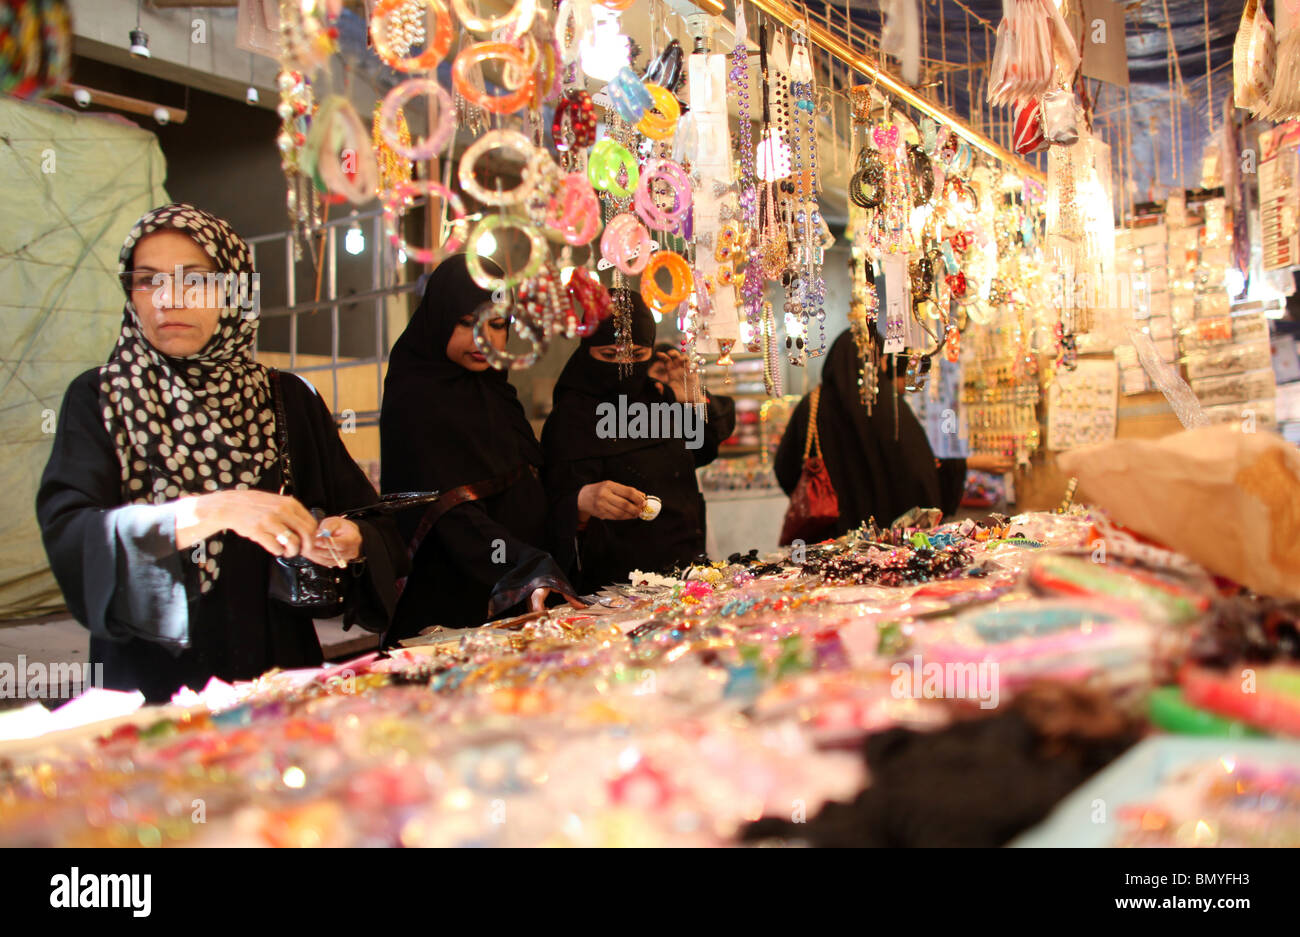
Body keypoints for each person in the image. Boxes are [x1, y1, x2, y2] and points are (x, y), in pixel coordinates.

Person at [36, 204, 407, 702]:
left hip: (275, 671)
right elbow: (73, 535)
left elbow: (373, 521)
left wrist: (350, 539)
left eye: (195, 280)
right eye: (148, 281)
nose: (169, 300)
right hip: (149, 678)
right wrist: (209, 510)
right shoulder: (102, 398)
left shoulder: (284, 399)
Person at [379, 254, 579, 641]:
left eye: (497, 325)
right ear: (438, 320)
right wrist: (524, 566)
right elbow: (450, 514)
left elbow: (526, 481)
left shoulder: (495, 390)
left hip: (518, 594)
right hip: (453, 605)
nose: (483, 340)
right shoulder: (416, 397)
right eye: (467, 323)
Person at [541, 290, 736, 592]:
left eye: (636, 355)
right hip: (613, 591)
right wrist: (582, 501)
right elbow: (547, 510)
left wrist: (691, 400)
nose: (625, 367)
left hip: (686, 572)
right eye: (610, 355)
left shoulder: (659, 399)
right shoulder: (570, 420)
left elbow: (703, 449)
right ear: (587, 349)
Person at [774, 328, 1014, 535]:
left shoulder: (811, 406)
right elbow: (919, 473)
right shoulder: (887, 407)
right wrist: (966, 464)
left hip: (826, 539)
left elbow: (784, 468)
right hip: (884, 545)